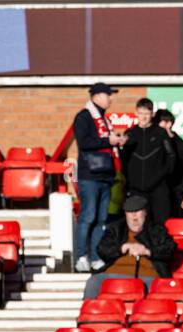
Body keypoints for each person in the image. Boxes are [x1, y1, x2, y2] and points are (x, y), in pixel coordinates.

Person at [73, 82, 127, 273]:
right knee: (88, 216)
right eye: (107, 95)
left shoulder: (105, 119)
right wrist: (108, 140)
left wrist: (116, 141)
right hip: (90, 175)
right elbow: (84, 142)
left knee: (102, 219)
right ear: (96, 96)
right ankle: (81, 256)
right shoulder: (84, 116)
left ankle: (96, 256)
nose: (110, 98)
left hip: (105, 174)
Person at [83, 194, 177, 300]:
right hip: (113, 274)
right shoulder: (116, 229)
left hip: (147, 276)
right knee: (93, 282)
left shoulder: (156, 230)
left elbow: (170, 249)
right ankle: (88, 315)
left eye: (137, 211)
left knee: (157, 289)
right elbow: (102, 249)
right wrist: (121, 248)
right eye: (130, 212)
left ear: (145, 213)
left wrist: (147, 251)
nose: (134, 217)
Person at [120, 97, 176, 224]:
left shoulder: (161, 133)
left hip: (158, 189)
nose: (144, 117)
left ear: (153, 114)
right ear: (136, 113)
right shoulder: (130, 134)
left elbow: (171, 157)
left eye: (147, 114)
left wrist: (162, 176)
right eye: (141, 113)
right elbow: (123, 160)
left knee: (161, 225)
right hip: (136, 190)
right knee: (139, 225)